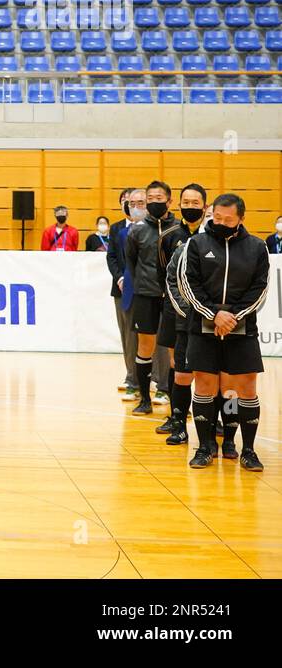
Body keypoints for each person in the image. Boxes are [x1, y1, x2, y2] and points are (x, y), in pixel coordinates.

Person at [177, 192, 269, 471]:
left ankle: (246, 449)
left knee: (241, 389)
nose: (222, 223)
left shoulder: (257, 247)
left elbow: (260, 287)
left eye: (228, 219)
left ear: (241, 219)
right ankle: (205, 447)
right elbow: (187, 283)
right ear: (211, 213)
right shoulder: (196, 243)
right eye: (217, 217)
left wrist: (234, 316)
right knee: (204, 386)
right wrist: (213, 314)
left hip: (242, 328)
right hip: (203, 326)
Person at [154, 184, 206, 441]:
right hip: (175, 310)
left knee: (209, 369)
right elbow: (163, 273)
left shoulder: (212, 236)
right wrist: (177, 303)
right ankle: (177, 418)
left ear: (205, 207)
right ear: (179, 205)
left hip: (205, 313)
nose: (191, 206)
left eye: (196, 202)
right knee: (178, 364)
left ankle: (212, 419)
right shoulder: (169, 235)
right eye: (186, 202)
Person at [126, 180, 178, 415]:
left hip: (173, 299)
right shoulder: (137, 230)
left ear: (169, 200)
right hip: (145, 296)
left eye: (159, 198)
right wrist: (144, 286)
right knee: (145, 347)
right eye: (151, 198)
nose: (154, 202)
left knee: (175, 350)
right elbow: (132, 263)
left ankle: (175, 402)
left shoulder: (179, 229)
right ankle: (144, 399)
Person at [108, 187, 144, 399]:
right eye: (128, 202)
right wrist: (121, 278)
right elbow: (111, 257)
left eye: (138, 202)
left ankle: (158, 381)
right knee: (129, 336)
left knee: (152, 337)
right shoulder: (117, 229)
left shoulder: (152, 228)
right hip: (123, 289)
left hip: (149, 289)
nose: (133, 206)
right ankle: (133, 378)